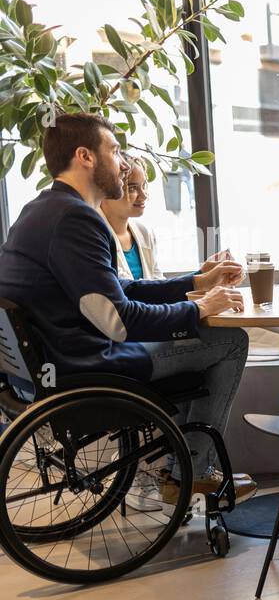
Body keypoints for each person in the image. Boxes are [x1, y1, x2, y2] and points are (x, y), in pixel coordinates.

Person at [0, 112, 255, 509]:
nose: (122, 162)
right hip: (88, 365)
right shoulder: (76, 218)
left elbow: (117, 290)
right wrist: (199, 309)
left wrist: (195, 284)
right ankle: (193, 472)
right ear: (85, 156)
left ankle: (179, 466)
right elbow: (117, 321)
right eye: (115, 150)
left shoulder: (40, 210)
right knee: (231, 341)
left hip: (49, 363)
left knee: (202, 337)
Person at [98, 154, 235, 281]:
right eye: (132, 188)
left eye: (144, 186)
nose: (144, 195)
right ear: (106, 189)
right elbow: (125, 295)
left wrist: (206, 275)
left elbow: (160, 288)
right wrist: (202, 277)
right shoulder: (93, 235)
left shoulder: (144, 233)